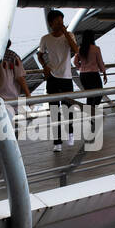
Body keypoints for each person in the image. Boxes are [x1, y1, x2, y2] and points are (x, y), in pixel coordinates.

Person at [38, 9, 78, 152]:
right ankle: (57, 141)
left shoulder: (69, 35)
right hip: (52, 78)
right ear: (50, 23)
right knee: (54, 110)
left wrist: (66, 33)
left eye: (62, 20)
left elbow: (76, 50)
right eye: (57, 21)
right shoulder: (45, 39)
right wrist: (45, 66)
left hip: (66, 77)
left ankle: (71, 133)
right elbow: (40, 55)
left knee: (69, 109)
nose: (61, 23)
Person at [73, 29, 106, 131]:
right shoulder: (96, 49)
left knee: (90, 95)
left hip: (83, 75)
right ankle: (92, 112)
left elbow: (75, 62)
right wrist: (104, 72)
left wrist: (80, 67)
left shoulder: (80, 49)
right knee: (99, 93)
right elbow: (100, 62)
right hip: (93, 74)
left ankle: (90, 113)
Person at [0, 40, 31, 126]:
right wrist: (28, 95)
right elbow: (20, 77)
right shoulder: (13, 56)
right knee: (9, 126)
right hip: (10, 97)